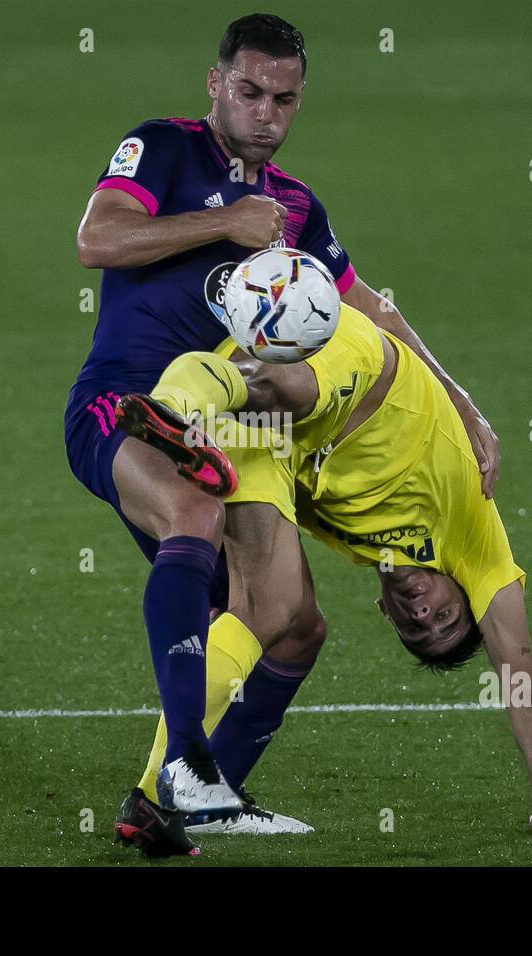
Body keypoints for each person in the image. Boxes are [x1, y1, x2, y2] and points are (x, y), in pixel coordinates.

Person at [65, 14, 499, 816]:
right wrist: (225, 223)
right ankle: (184, 769)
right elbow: (98, 238)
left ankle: (208, 795)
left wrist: (462, 402)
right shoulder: (163, 148)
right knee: (193, 511)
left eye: (284, 99)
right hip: (120, 401)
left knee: (294, 626)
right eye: (249, 90)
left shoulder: (297, 207)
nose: (265, 111)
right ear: (215, 83)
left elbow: (377, 313)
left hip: (239, 429)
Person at [112, 300, 532, 855]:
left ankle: (151, 799)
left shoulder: (369, 547)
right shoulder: (473, 536)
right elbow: (519, 667)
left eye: (415, 628)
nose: (422, 611)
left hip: (282, 449)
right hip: (365, 379)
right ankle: (172, 407)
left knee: (272, 609)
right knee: (280, 389)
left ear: (386, 612)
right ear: (461, 588)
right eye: (445, 614)